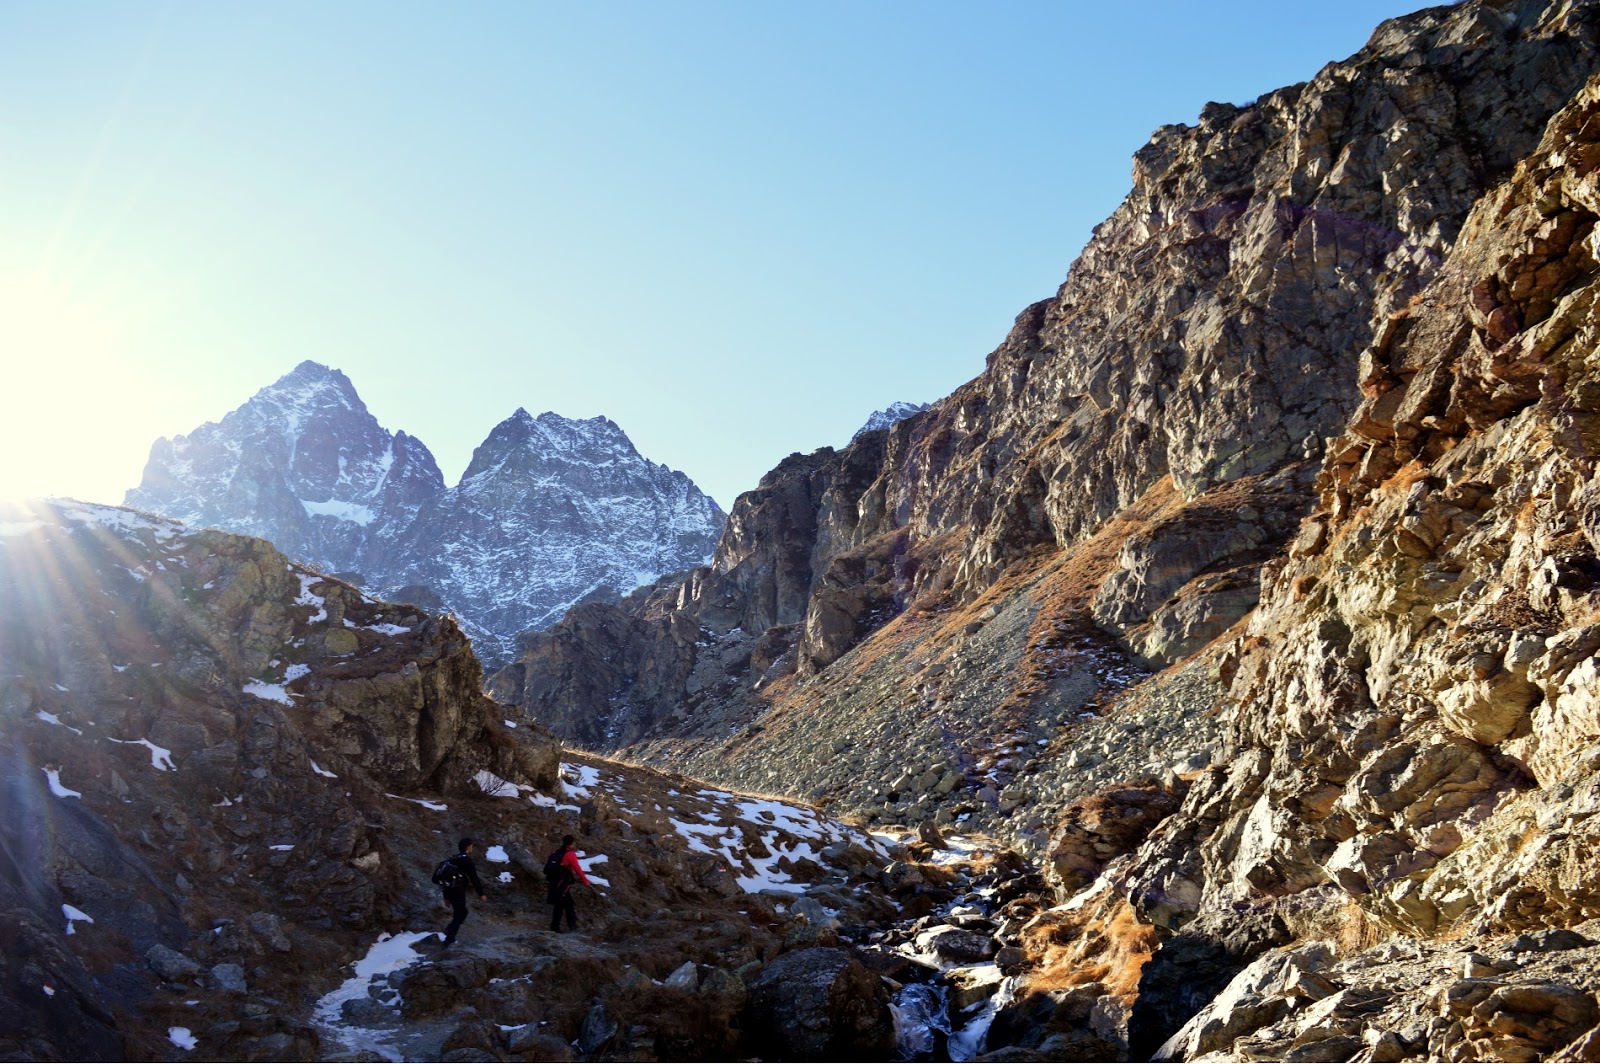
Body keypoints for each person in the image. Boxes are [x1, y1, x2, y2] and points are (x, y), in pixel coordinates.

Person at [437, 837, 487, 947]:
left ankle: (450, 937)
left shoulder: (452, 858)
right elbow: (474, 878)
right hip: (458, 890)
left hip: (449, 889)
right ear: (468, 847)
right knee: (462, 913)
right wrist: (481, 894)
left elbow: (445, 878)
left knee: (458, 913)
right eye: (472, 846)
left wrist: (446, 897)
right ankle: (449, 936)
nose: (472, 848)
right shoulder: (466, 860)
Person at [545, 834, 590, 933]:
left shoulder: (558, 853)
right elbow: (577, 868)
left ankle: (570, 925)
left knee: (565, 904)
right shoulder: (570, 854)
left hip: (554, 882)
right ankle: (558, 927)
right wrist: (585, 881)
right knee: (562, 904)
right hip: (563, 883)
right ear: (571, 843)